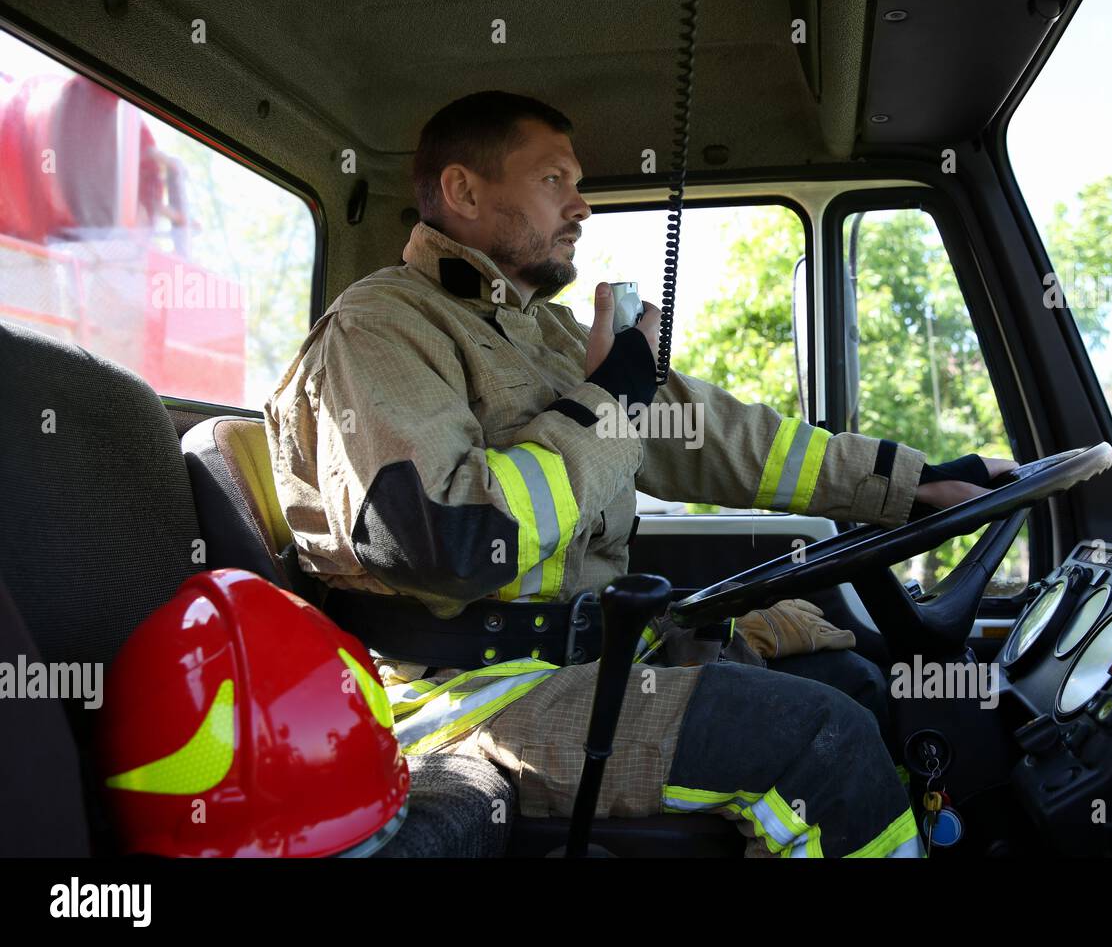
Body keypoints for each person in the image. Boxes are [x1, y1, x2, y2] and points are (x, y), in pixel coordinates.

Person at [264, 91, 1014, 857]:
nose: (581, 205)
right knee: (822, 743)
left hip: (583, 658)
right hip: (461, 691)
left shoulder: (547, 336)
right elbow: (446, 540)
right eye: (554, 179)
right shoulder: (378, 329)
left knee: (844, 678)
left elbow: (721, 436)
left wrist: (906, 481)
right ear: (463, 191)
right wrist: (610, 399)